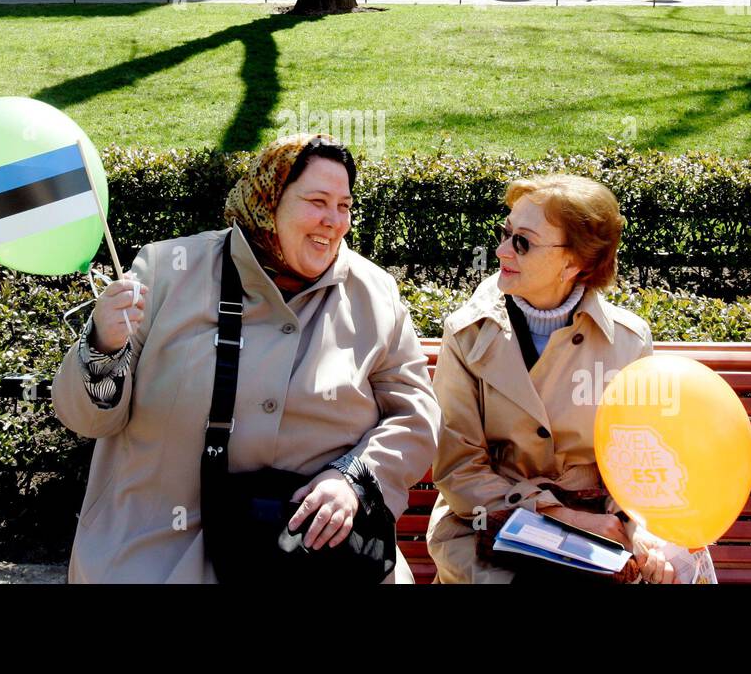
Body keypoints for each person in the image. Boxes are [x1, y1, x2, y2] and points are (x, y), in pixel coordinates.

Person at [52, 133, 441, 583]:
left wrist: (353, 478)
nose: (334, 221)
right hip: (159, 553)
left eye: (344, 205)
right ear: (267, 200)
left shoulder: (374, 293)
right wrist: (102, 346)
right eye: (317, 201)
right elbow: (89, 419)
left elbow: (415, 417)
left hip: (317, 560)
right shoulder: (167, 270)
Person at [426, 174, 714, 584]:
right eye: (506, 233)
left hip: (606, 532)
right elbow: (459, 470)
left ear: (576, 263)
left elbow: (637, 465)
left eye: (522, 241)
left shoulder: (628, 341)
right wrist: (560, 517)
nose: (501, 250)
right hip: (491, 526)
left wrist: (643, 531)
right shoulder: (468, 333)